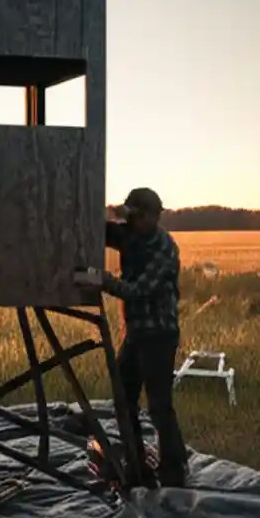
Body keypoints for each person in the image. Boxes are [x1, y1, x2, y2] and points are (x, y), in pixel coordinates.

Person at [74, 187, 187, 487]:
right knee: (124, 398)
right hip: (136, 333)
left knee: (160, 405)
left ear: (154, 217)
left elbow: (137, 290)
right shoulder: (131, 234)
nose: (138, 222)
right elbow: (105, 231)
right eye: (134, 217)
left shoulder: (164, 248)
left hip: (159, 334)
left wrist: (102, 280)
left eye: (142, 217)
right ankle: (136, 462)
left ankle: (174, 471)